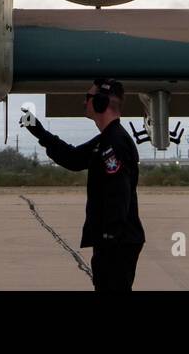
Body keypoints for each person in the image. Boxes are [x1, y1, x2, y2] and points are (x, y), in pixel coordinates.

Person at [19, 78, 145, 290]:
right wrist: (39, 132)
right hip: (114, 240)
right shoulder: (106, 139)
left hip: (117, 242)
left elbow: (119, 193)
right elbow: (74, 158)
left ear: (100, 103)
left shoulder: (115, 142)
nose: (84, 102)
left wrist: (109, 237)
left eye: (88, 98)